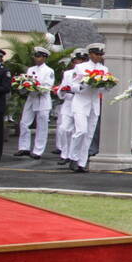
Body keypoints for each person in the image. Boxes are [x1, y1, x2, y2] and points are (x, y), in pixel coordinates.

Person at [67, 43, 109, 173]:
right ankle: (73, 157)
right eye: (96, 54)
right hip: (80, 102)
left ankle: (82, 162)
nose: (99, 57)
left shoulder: (104, 69)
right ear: (90, 54)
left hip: (94, 103)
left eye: (101, 54)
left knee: (89, 135)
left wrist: (107, 85)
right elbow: (72, 86)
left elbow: (104, 90)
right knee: (81, 131)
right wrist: (85, 84)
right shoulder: (80, 67)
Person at [14, 45, 56, 160]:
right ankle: (24, 147)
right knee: (24, 123)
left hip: (42, 100)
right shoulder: (30, 69)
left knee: (42, 126)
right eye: (35, 56)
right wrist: (24, 86)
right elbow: (27, 81)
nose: (36, 58)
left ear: (44, 57)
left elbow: (47, 86)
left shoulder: (49, 71)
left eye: (39, 56)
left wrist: (35, 87)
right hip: (31, 99)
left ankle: (38, 150)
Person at [55, 49, 87, 163]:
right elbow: (61, 89)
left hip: (81, 103)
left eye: (82, 61)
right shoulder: (68, 73)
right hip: (68, 104)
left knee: (78, 131)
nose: (79, 63)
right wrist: (63, 91)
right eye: (77, 61)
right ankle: (65, 154)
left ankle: (74, 155)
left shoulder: (87, 73)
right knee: (63, 129)